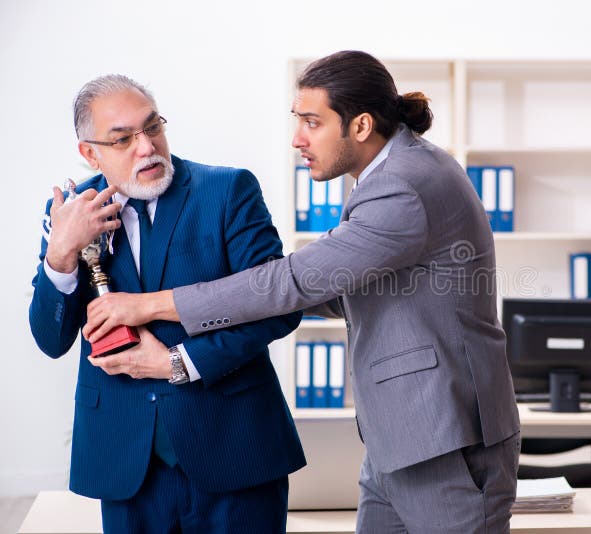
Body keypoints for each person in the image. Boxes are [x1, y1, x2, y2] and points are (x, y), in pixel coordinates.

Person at [84, 52, 521, 533]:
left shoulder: (403, 185)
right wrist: (254, 282)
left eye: (312, 122)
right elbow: (330, 289)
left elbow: (295, 282)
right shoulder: (388, 174)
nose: (298, 139)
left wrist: (149, 304)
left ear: (360, 125)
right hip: (403, 435)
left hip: (445, 433)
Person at [29, 74, 305, 533]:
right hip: (125, 462)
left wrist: (180, 362)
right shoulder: (68, 212)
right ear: (90, 153)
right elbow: (50, 339)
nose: (146, 147)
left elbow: (276, 307)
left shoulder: (229, 191)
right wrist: (61, 253)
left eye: (152, 126)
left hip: (233, 446)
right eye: (122, 139)